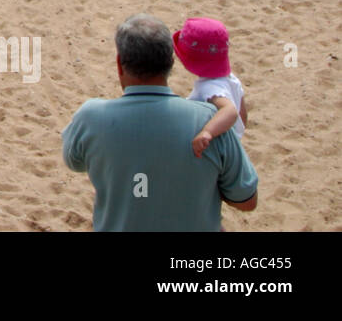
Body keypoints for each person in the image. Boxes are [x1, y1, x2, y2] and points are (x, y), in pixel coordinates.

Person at [62, 13, 259, 231]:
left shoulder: (90, 117)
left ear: (119, 65)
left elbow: (74, 162)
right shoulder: (209, 120)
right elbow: (247, 201)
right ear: (170, 63)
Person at [173, 18, 249, 158]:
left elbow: (230, 111)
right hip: (233, 145)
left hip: (215, 149)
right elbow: (242, 114)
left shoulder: (209, 88)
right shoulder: (231, 79)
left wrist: (208, 132)